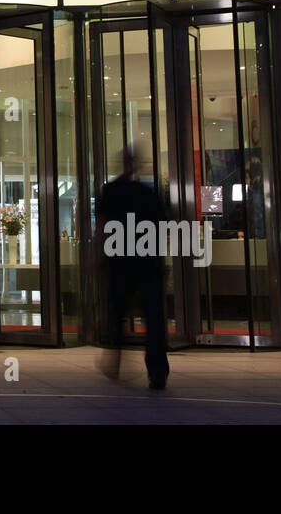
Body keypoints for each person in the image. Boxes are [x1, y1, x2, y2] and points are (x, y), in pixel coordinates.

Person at [96, 141, 169, 390]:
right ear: (137, 164)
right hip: (148, 263)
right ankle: (157, 372)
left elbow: (103, 228)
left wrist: (97, 258)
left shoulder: (110, 191)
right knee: (154, 321)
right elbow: (163, 228)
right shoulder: (149, 194)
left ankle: (115, 357)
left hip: (121, 264)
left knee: (117, 314)